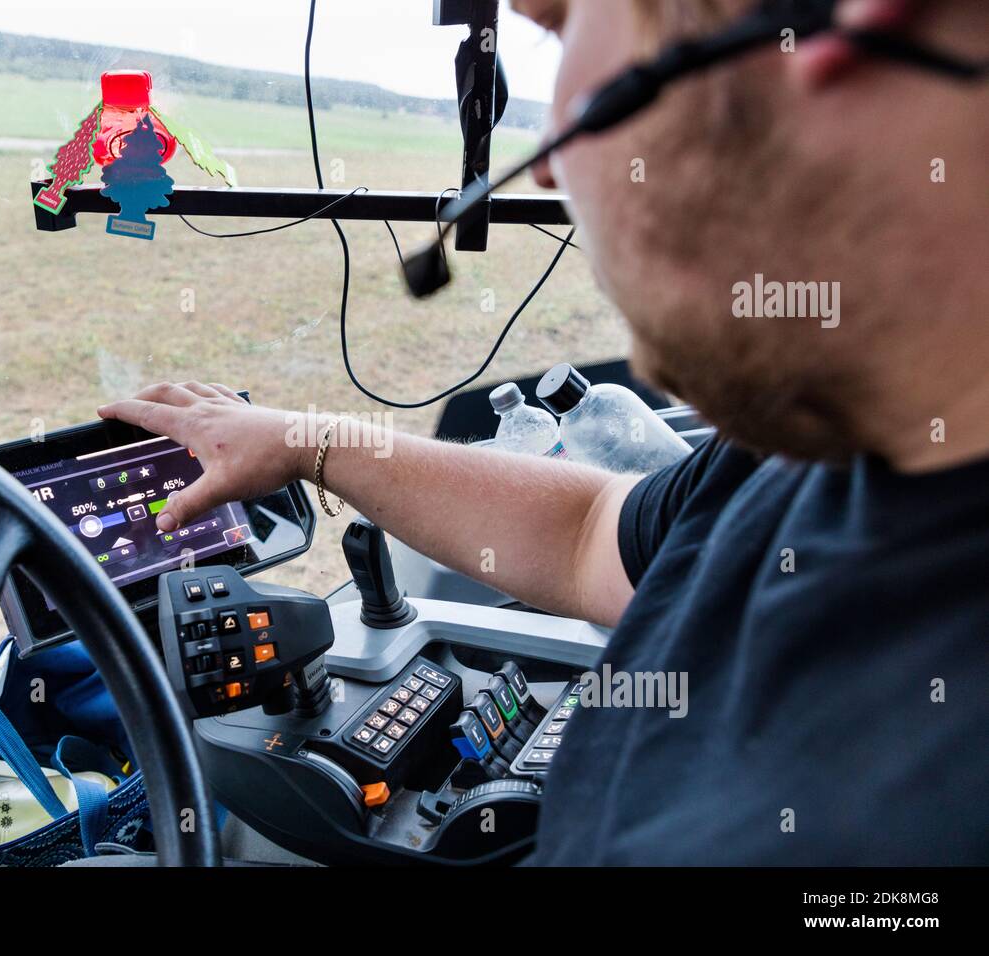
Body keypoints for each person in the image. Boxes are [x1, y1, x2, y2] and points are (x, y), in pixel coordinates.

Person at [99, 0, 988, 864]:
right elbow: (585, 536)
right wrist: (311, 441)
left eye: (562, 24)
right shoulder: (807, 450)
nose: (551, 170)